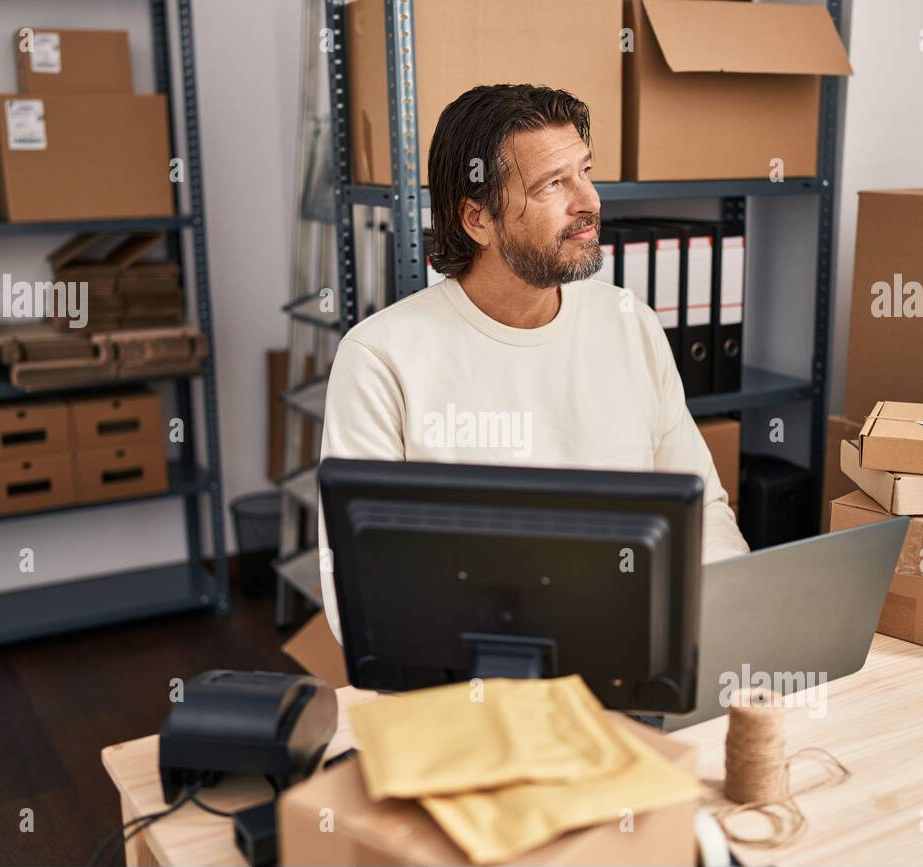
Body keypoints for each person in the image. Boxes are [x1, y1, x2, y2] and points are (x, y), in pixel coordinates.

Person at [317, 83, 748, 640]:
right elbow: (357, 585)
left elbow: (703, 511)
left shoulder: (628, 321)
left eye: (585, 171)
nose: (588, 201)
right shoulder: (380, 358)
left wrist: (729, 619)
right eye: (552, 185)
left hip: (635, 651)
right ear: (477, 218)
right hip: (481, 682)